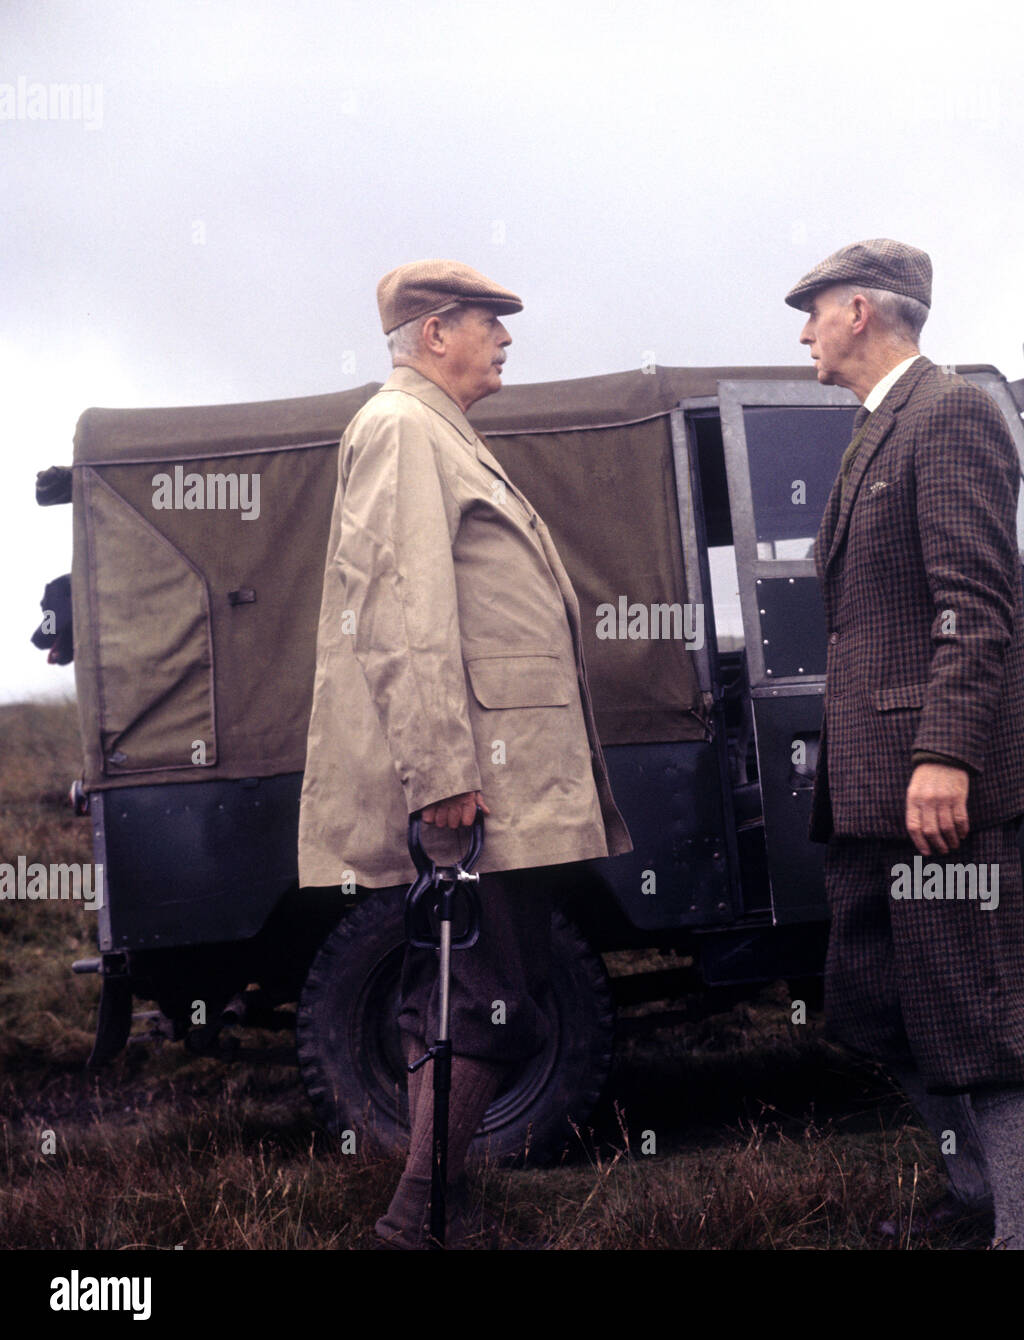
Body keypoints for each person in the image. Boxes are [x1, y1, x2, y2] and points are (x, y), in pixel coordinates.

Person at [297, 259, 631, 1248]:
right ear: (434, 330)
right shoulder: (404, 428)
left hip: (491, 772)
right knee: (479, 996)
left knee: (473, 993)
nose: (506, 337)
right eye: (491, 321)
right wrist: (442, 768)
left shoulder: (432, 429)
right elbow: (402, 613)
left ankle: (437, 1208)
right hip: (470, 776)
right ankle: (419, 1219)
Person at [787, 239, 1024, 1249]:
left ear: (858, 310)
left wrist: (943, 753)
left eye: (812, 308)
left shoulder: (948, 412)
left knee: (974, 1007)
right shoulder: (877, 423)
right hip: (876, 788)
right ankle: (973, 1195)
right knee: (880, 998)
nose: (802, 328)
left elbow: (977, 607)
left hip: (940, 786)